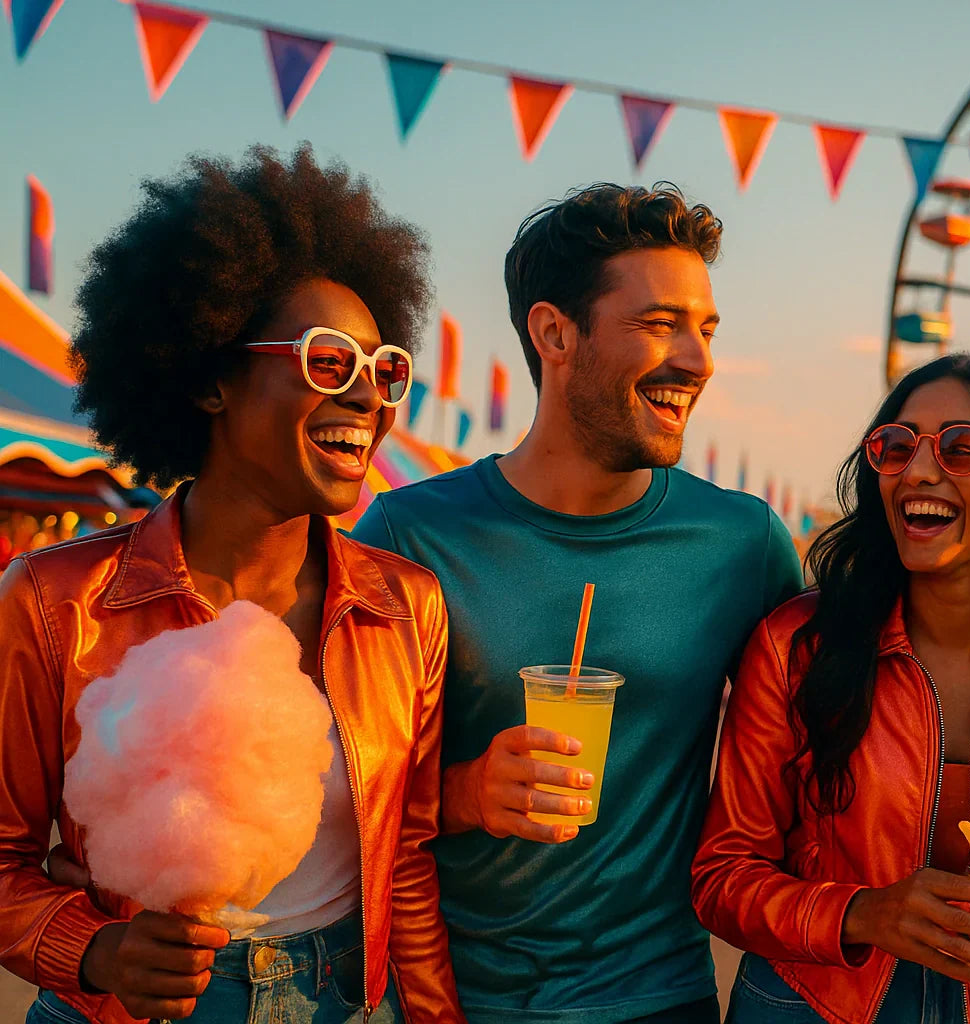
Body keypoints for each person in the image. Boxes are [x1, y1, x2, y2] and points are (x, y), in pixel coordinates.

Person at [0, 146, 464, 1024]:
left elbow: (405, 860)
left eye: (386, 370)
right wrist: (96, 950)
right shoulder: (55, 602)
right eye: (331, 362)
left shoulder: (407, 608)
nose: (370, 398)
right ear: (213, 377)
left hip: (340, 1000)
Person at [349, 182, 803, 1022]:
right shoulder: (407, 536)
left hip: (663, 998)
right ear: (555, 333)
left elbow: (834, 745)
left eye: (705, 330)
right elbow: (334, 787)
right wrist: (466, 793)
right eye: (660, 324)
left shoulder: (743, 543)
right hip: (453, 1002)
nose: (698, 361)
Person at [693, 354, 970, 1023]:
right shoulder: (798, 647)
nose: (918, 470)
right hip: (810, 1003)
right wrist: (862, 914)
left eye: (960, 449)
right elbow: (723, 874)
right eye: (895, 447)